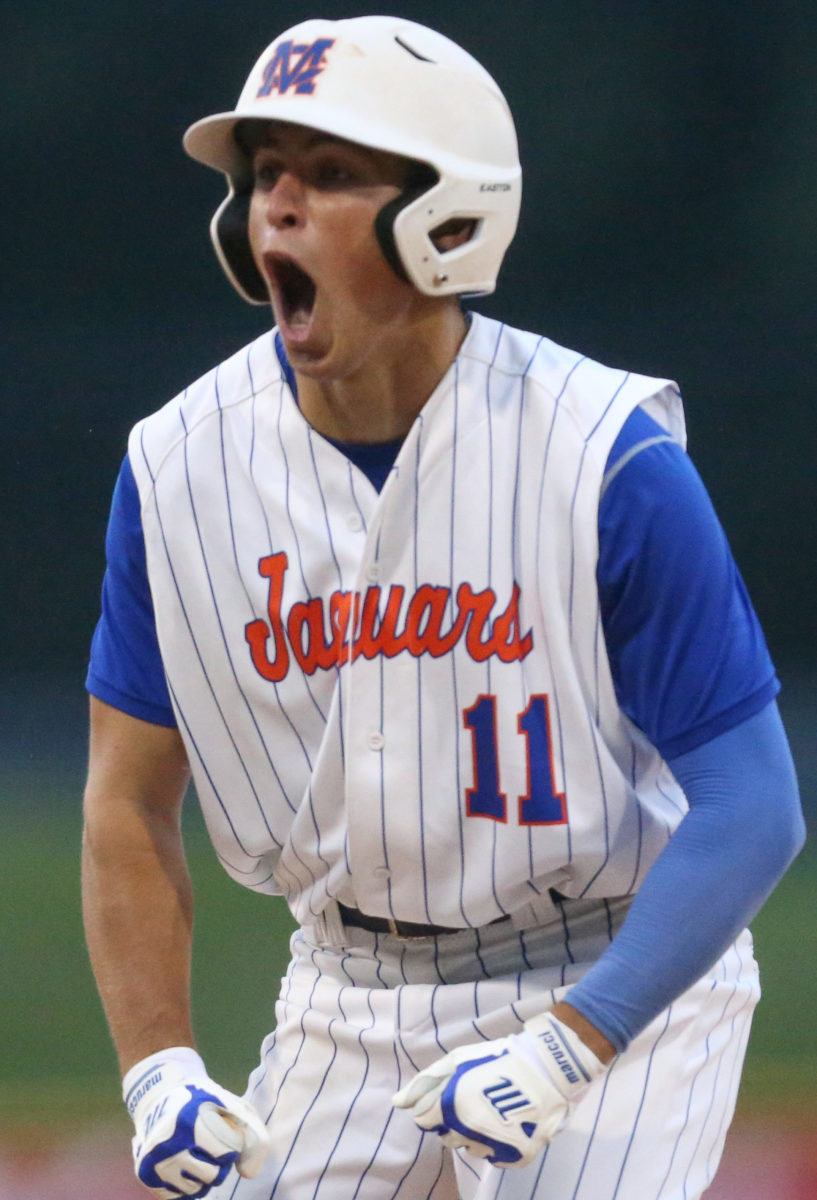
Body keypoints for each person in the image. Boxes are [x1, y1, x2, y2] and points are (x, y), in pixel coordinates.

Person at [81, 15, 805, 1200]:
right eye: (265, 175)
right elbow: (125, 801)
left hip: (617, 973)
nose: (276, 207)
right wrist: (158, 1064)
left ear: (447, 220)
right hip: (345, 989)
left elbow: (752, 803)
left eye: (329, 174)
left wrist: (574, 1044)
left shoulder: (600, 456)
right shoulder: (177, 472)